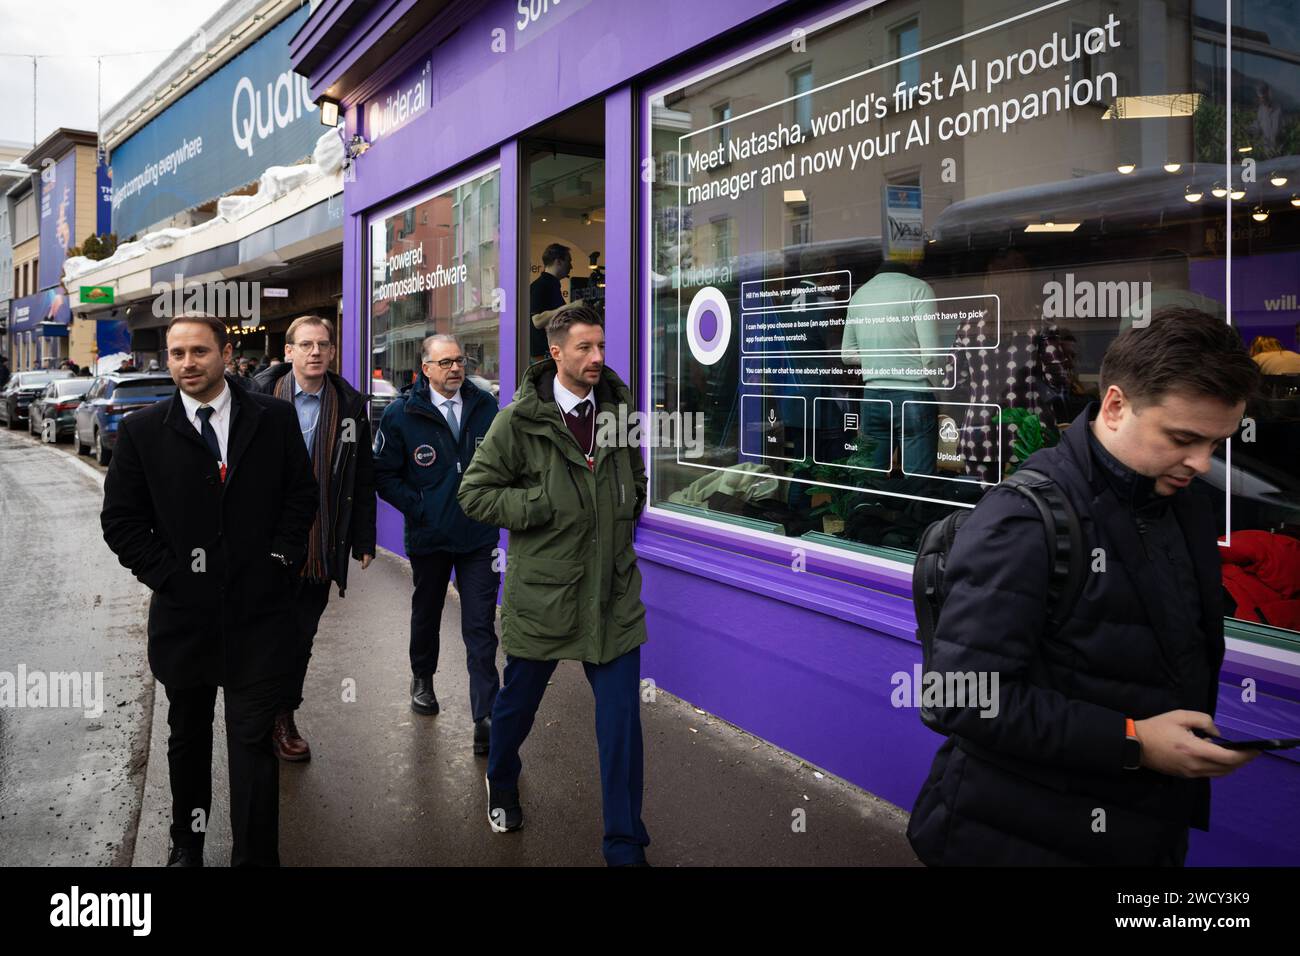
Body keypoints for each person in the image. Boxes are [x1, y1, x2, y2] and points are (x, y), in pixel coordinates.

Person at [907, 307, 1262, 866]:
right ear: (1116, 405)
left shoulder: (1183, 507)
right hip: (1012, 838)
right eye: (1183, 438)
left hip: (1137, 832)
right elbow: (959, 697)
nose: (1200, 462)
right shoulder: (1024, 519)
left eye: (1215, 443)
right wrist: (1133, 742)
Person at [101, 312, 318, 867]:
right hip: (185, 621)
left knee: (251, 739)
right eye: (177, 354)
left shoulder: (272, 418)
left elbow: (300, 496)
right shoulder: (143, 431)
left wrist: (279, 559)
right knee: (188, 736)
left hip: (259, 616)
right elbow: (122, 522)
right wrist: (172, 578)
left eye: (199, 351)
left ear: (225, 354)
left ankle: (254, 854)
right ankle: (187, 843)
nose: (187, 363)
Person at [459, 304, 652, 866]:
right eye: (585, 348)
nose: (597, 358)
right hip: (544, 596)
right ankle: (501, 775)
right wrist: (541, 504)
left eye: (601, 347)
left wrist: (626, 503)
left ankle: (624, 845)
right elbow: (474, 494)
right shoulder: (518, 422)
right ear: (556, 353)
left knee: (621, 728)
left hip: (612, 595)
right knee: (517, 707)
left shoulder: (620, 412)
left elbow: (633, 479)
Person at [253, 315, 377, 761]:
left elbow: (362, 476)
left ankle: (283, 717)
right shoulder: (256, 398)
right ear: (288, 352)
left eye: (323, 344)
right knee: (266, 634)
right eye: (305, 345)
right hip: (264, 543)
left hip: (320, 545)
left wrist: (363, 538)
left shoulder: (348, 405)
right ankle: (258, 714)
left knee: (300, 636)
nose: (315, 352)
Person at [373, 334, 502, 754]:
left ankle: (485, 714)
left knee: (480, 624)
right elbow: (384, 475)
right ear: (425, 368)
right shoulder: (400, 414)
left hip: (478, 537)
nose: (454, 368)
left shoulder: (485, 406)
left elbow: (504, 461)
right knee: (426, 612)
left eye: (459, 361)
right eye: (444, 362)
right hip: (429, 537)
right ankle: (422, 678)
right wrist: (420, 506)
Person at [841, 259, 944, 474]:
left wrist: (878, 358)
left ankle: (866, 508)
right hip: (914, 393)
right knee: (918, 483)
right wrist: (938, 392)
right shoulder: (919, 289)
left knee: (869, 480)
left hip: (873, 396)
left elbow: (847, 354)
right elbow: (932, 357)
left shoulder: (860, 295)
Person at [528, 243, 579, 365]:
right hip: (542, 357)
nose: (571, 266)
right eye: (568, 261)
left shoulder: (550, 286)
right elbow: (538, 321)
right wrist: (571, 307)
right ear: (558, 262)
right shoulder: (539, 287)